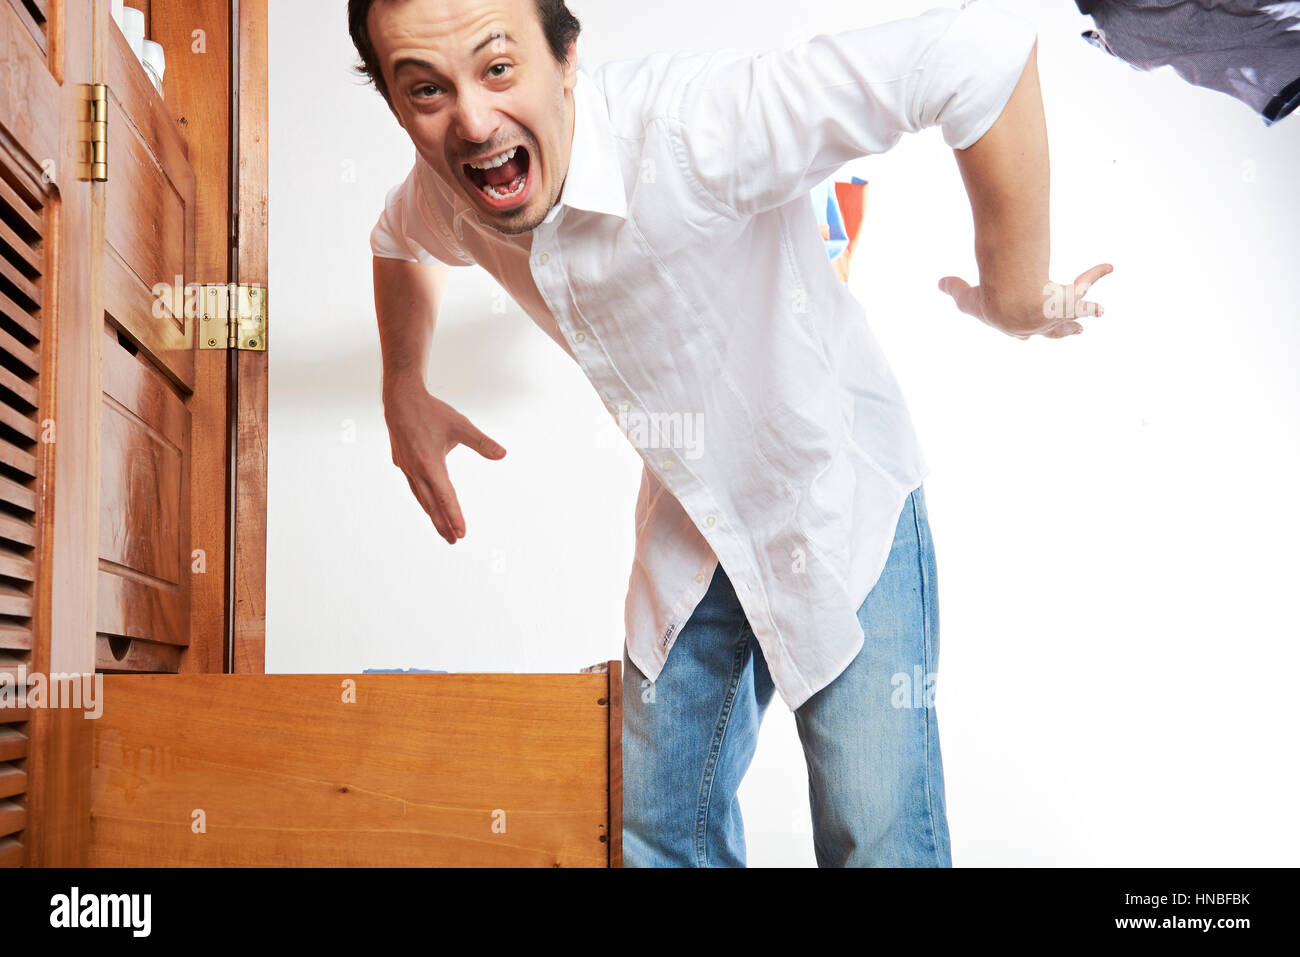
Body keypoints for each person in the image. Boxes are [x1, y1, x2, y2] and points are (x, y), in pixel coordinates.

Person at [350, 0, 1112, 867]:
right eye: (426, 90)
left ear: (566, 57)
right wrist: (401, 384)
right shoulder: (453, 195)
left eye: (497, 68)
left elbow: (979, 55)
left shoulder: (694, 128)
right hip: (695, 521)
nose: (474, 120)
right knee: (649, 826)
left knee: (876, 838)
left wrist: (1014, 293)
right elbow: (393, 236)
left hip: (838, 495)